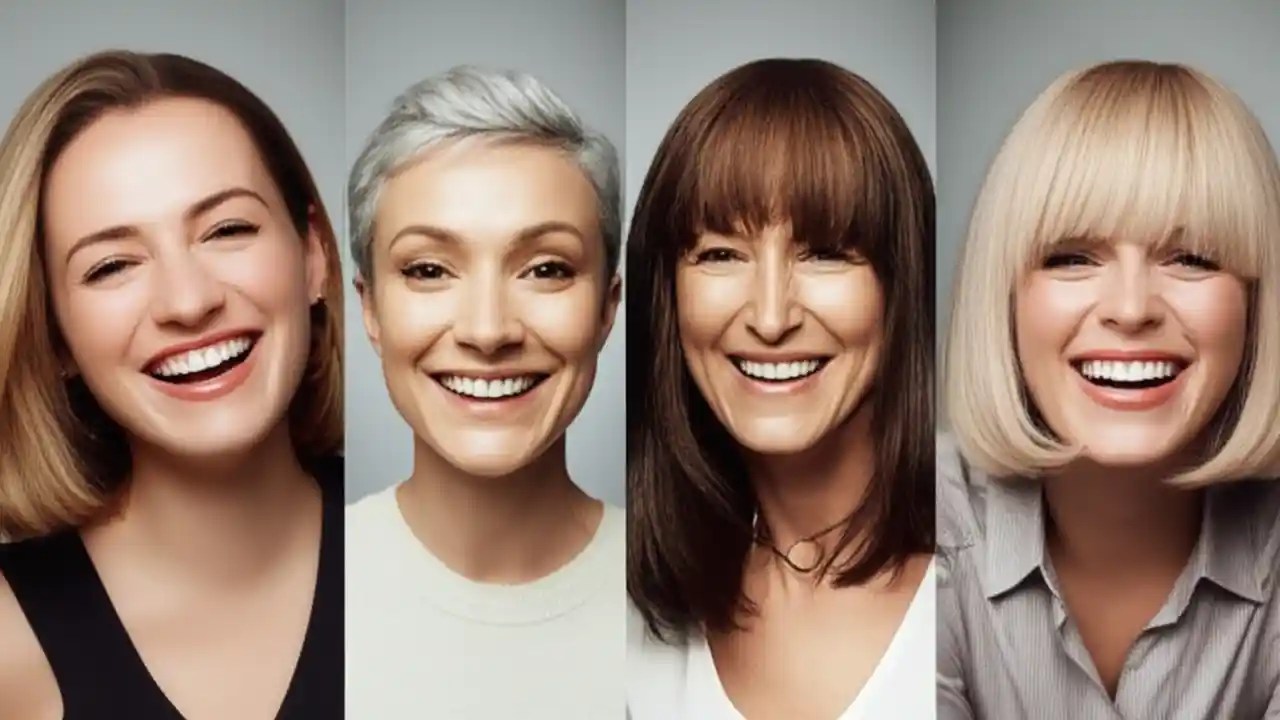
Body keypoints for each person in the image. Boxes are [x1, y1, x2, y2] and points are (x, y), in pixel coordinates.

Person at [0, 50, 344, 719]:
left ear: (313, 256)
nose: (187, 302)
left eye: (227, 229)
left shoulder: (431, 567)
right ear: (56, 335)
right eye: (111, 266)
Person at [937, 60, 1280, 719]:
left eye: (1191, 257)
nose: (1130, 308)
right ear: (1005, 296)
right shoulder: (914, 519)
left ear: (1257, 305)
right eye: (1072, 257)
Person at [626, 58, 936, 720]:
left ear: (900, 285)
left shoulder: (999, 594)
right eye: (720, 254)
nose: (771, 317)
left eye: (824, 252)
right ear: (668, 297)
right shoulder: (634, 626)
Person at [343, 66, 625, 718]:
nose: (488, 330)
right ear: (371, 310)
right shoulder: (303, 585)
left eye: (546, 269)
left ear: (607, 308)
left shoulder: (687, 600)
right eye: (429, 270)